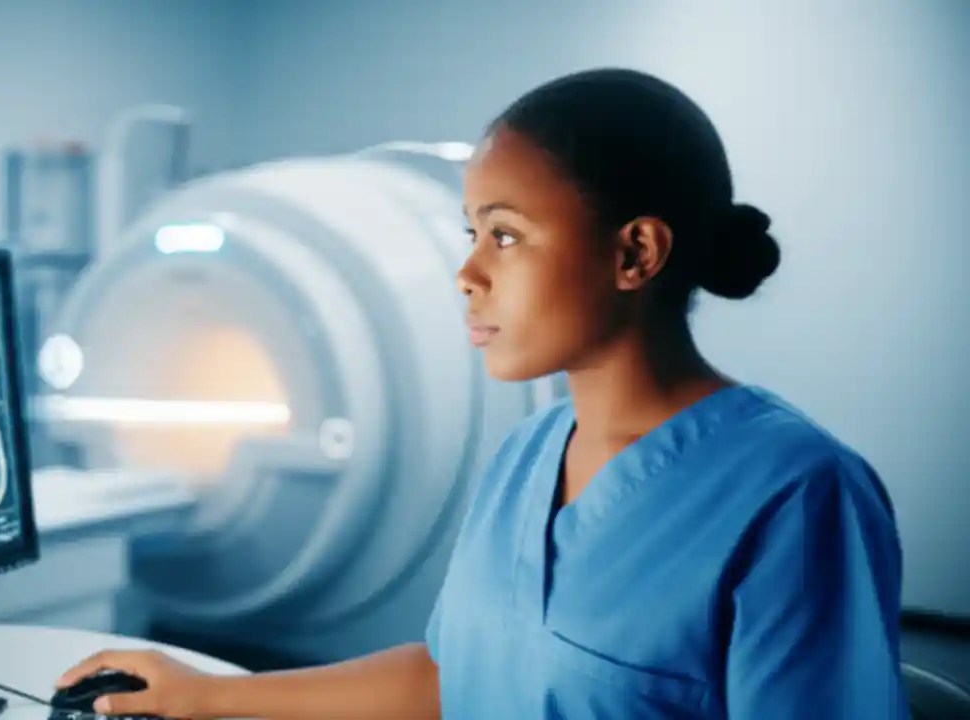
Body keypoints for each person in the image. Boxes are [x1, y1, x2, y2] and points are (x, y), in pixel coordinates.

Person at [54, 68, 909, 719]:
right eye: (472, 234)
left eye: (505, 234)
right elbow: (448, 675)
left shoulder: (795, 495)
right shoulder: (529, 455)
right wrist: (204, 695)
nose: (466, 273)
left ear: (635, 254)